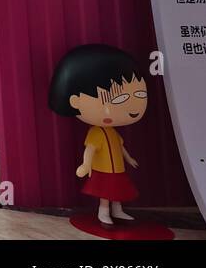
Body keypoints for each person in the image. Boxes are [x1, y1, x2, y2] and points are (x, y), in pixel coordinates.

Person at [48, 44, 148, 226]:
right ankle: (104, 212)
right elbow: (91, 149)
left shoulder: (112, 131)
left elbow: (121, 146)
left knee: (119, 191)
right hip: (104, 170)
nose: (133, 108)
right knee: (106, 193)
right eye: (119, 99)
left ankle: (118, 210)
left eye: (140, 94)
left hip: (118, 168)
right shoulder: (96, 132)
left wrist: (129, 158)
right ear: (75, 101)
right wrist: (86, 165)